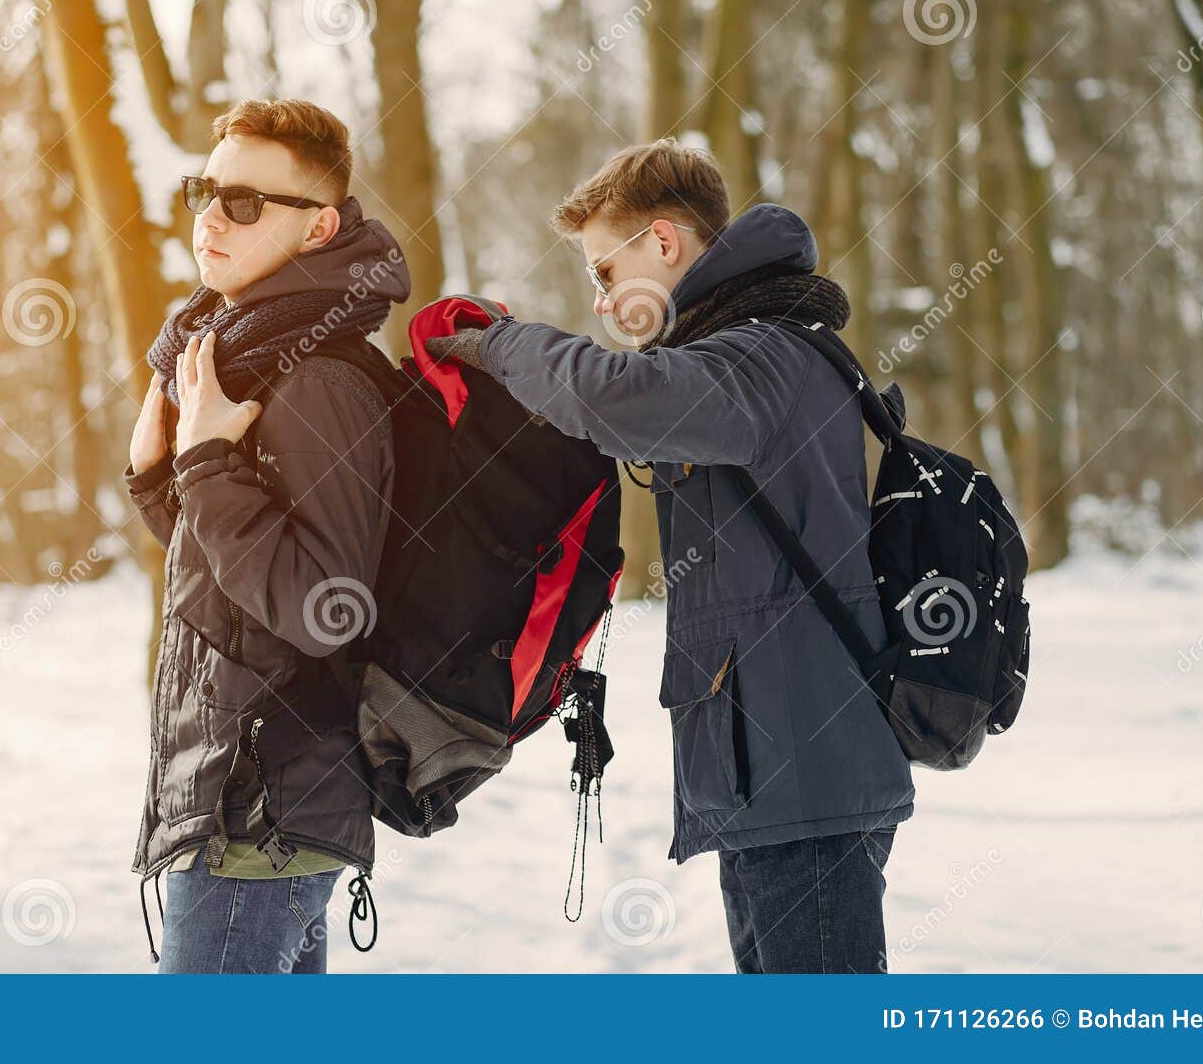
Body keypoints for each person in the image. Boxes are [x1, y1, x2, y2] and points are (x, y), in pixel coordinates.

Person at [425, 139, 914, 973]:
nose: (602, 299)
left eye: (605, 271)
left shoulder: (765, 352)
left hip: (804, 772)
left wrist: (495, 343)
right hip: (773, 772)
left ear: (662, 242)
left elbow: (613, 398)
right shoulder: (745, 349)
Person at [125, 98, 407, 973]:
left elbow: (325, 609)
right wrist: (158, 475)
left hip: (266, 809)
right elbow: (236, 586)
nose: (211, 214)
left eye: (244, 201)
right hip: (240, 802)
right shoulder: (244, 354)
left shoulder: (322, 377)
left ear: (318, 226)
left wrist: (206, 457)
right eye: (204, 189)